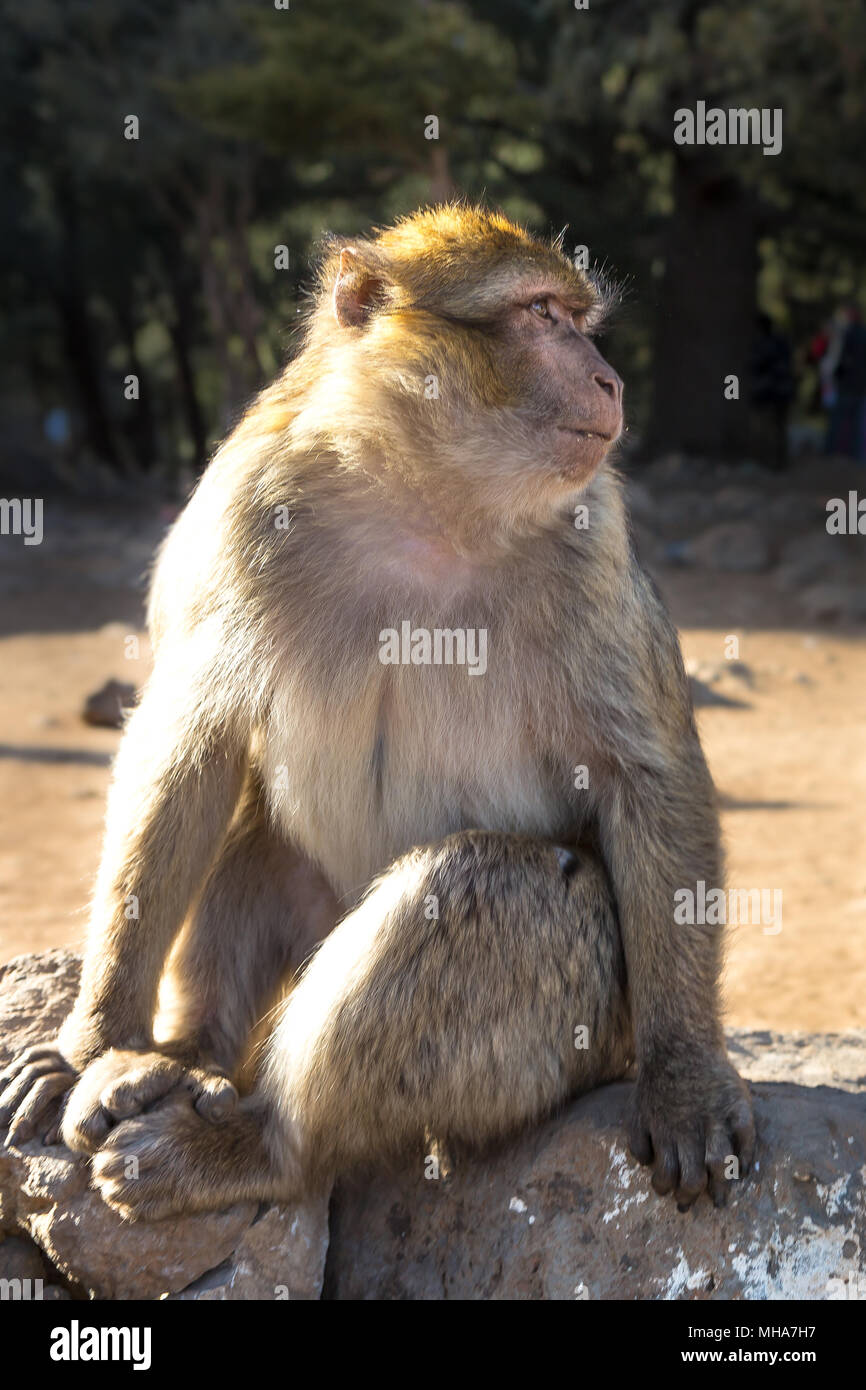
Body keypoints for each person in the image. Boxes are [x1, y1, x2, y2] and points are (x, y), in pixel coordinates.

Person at [749, 312, 794, 470]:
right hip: (781, 393)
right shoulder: (780, 343)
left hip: (770, 395)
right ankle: (778, 464)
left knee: (768, 430)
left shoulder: (765, 346)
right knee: (778, 430)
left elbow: (761, 368)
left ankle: (771, 464)